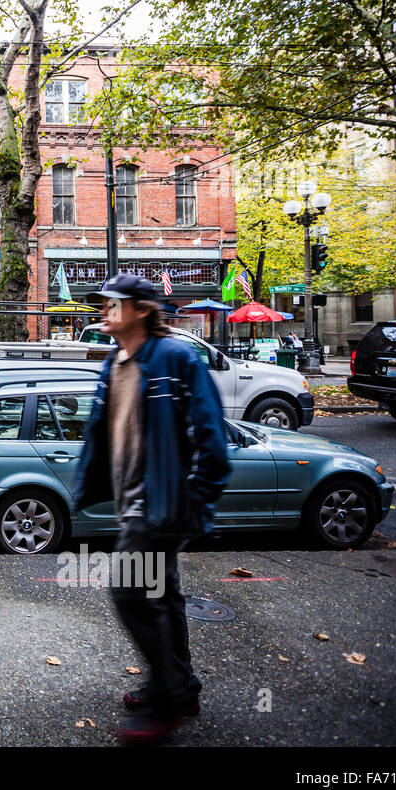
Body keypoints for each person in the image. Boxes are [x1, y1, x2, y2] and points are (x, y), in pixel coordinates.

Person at [72, 274, 231, 745]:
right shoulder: (115, 361)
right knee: (164, 596)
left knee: (128, 591)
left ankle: (170, 697)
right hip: (133, 502)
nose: (102, 309)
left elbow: (212, 436)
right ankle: (181, 685)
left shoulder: (176, 358)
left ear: (141, 308)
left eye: (111, 302)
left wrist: (193, 497)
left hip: (161, 504)